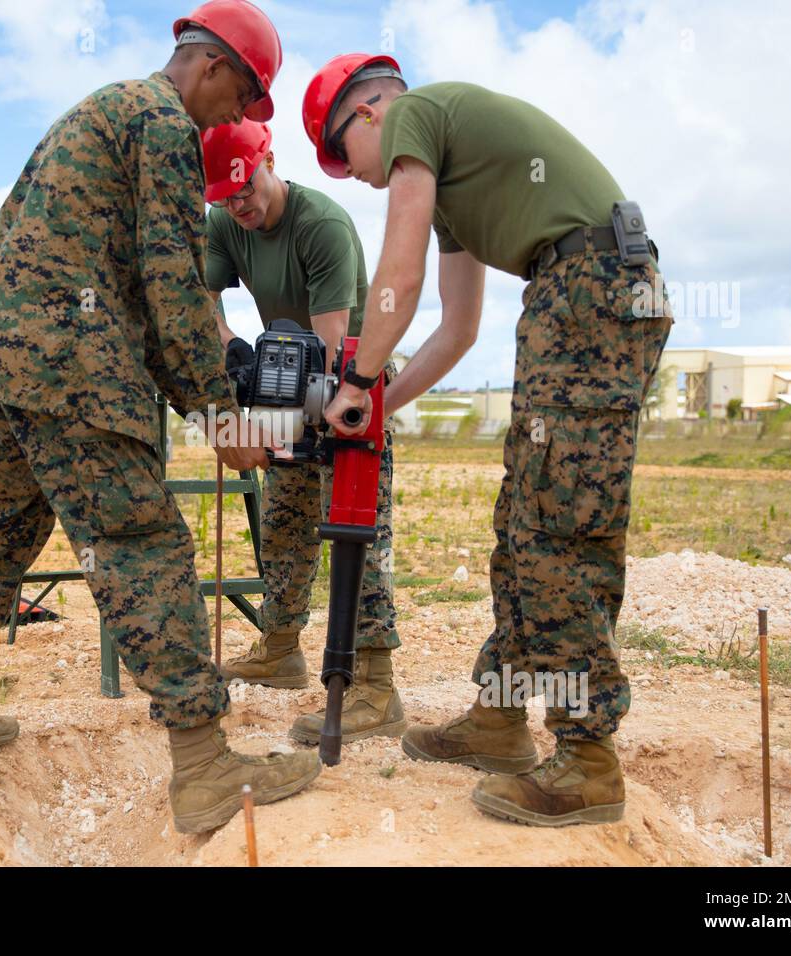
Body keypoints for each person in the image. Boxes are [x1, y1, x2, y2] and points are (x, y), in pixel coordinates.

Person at [0, 0, 322, 836]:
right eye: (243, 94)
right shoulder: (160, 124)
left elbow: (136, 285)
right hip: (71, 365)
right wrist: (219, 413)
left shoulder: (102, 110)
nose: (238, 116)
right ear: (208, 64)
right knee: (142, 543)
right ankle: (203, 764)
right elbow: (170, 282)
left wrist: (207, 401)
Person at [302, 53, 672, 826]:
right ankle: (501, 718)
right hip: (574, 290)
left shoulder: (412, 117)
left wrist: (356, 382)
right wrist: (377, 403)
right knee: (525, 522)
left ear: (367, 112)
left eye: (348, 159)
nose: (361, 180)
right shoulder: (449, 176)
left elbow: (394, 278)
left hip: (588, 288)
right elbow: (458, 327)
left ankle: (589, 761)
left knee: (560, 531)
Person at [201, 118, 404, 746]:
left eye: (250, 187)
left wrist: (299, 390)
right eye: (229, 198)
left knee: (355, 527)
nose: (243, 205)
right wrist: (234, 349)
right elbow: (199, 299)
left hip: (345, 380)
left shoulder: (321, 225)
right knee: (284, 522)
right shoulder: (225, 223)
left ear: (270, 159)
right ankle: (281, 646)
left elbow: (331, 341)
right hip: (277, 378)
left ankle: (374, 682)